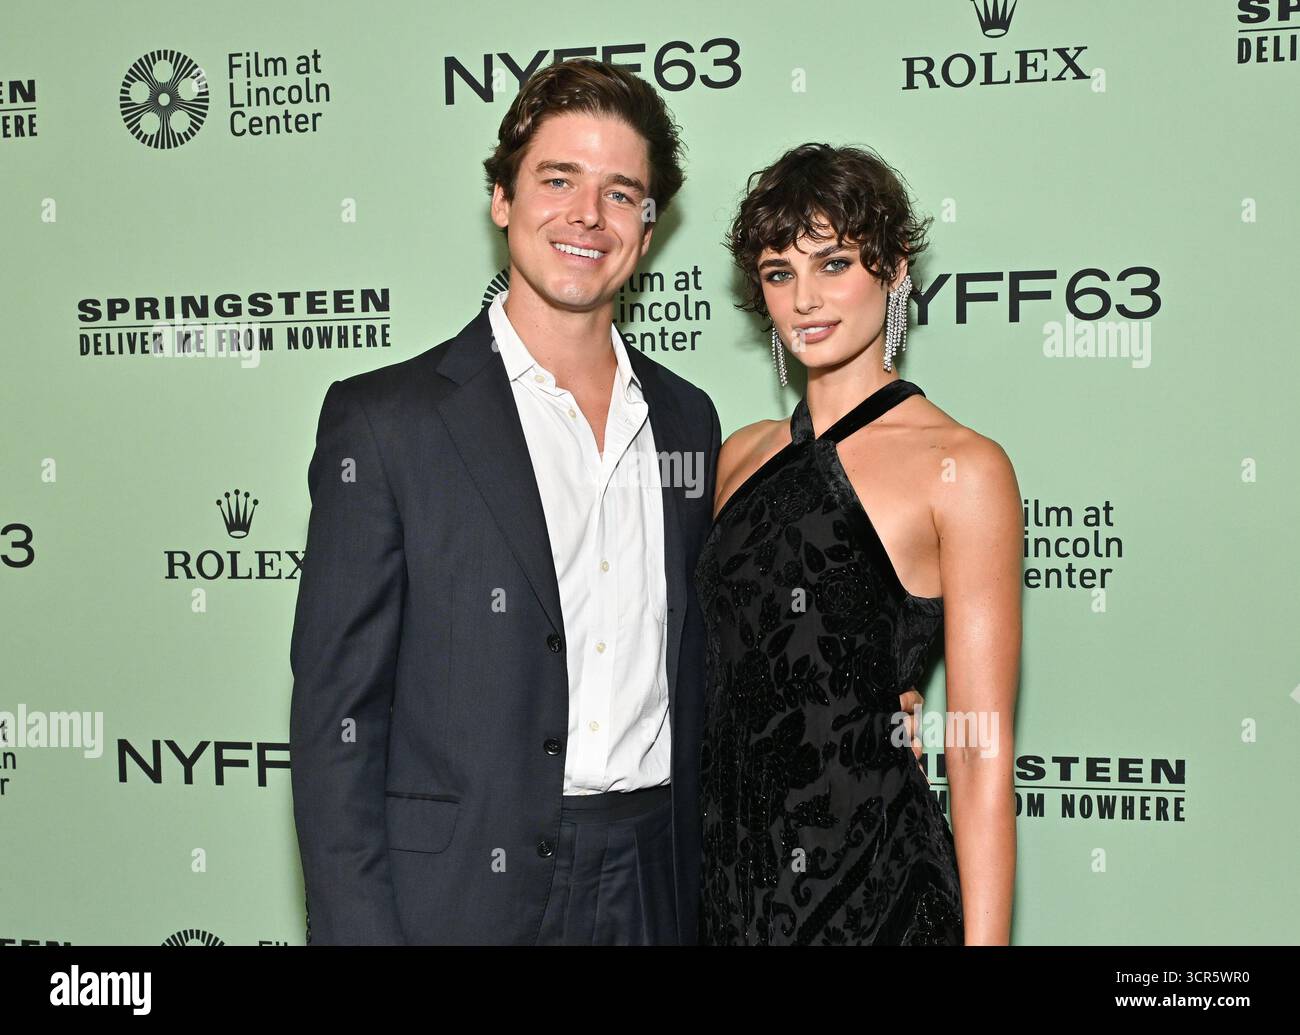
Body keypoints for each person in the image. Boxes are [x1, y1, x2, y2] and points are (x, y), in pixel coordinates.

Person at [288, 58, 721, 944]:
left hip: (654, 883)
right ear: (502, 198)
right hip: (458, 895)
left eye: (620, 193)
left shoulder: (688, 419)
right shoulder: (385, 422)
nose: (586, 216)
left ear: (648, 226)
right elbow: (338, 722)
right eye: (557, 179)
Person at [695, 143, 1021, 945]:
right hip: (727, 884)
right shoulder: (737, 456)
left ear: (894, 269)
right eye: (779, 273)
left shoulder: (964, 469)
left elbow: (979, 754)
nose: (805, 298)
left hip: (882, 890)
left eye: (834, 263)